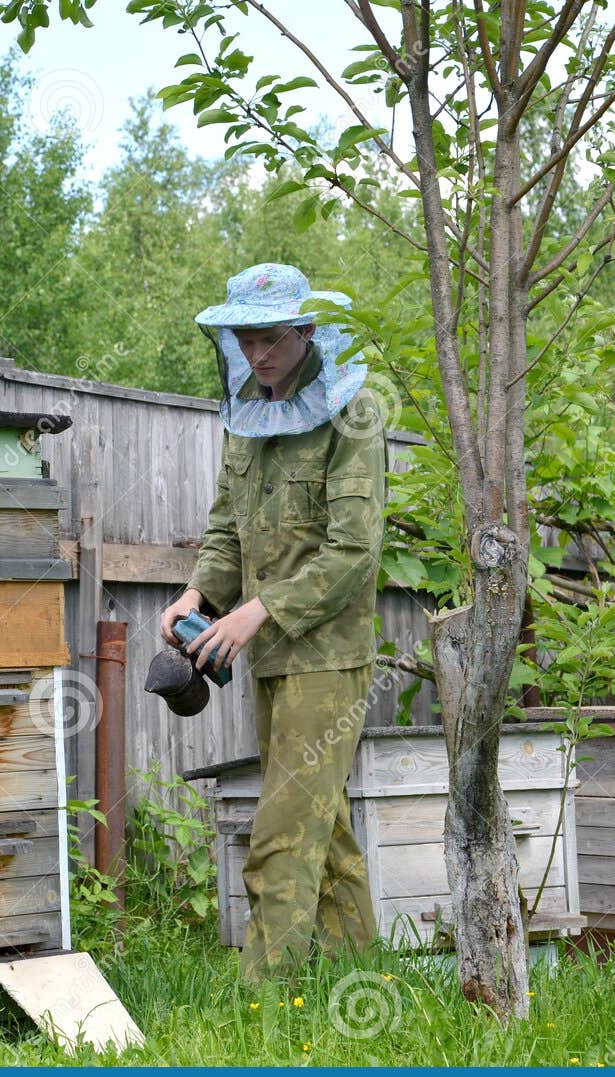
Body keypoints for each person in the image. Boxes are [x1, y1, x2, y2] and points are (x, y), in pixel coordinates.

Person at [158, 262, 387, 983]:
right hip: (269, 657)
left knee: (283, 834)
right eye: (245, 340)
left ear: (308, 330)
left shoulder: (354, 413)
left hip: (328, 658)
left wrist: (259, 610)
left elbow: (354, 551)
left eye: (270, 338)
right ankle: (365, 985)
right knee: (327, 831)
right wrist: (197, 595)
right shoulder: (249, 419)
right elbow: (227, 531)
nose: (256, 354)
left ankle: (260, 1009)